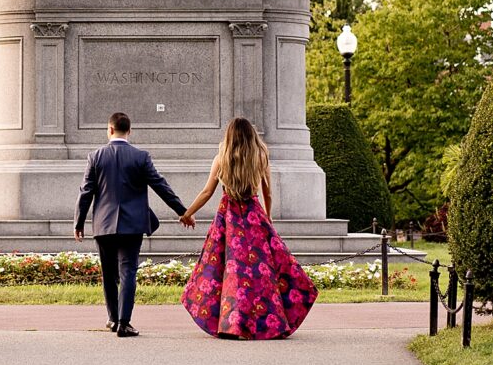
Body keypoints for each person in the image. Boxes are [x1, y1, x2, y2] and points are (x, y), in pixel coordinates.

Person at [178, 117, 318, 339]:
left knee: (226, 270)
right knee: (262, 272)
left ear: (229, 136)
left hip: (228, 217)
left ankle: (231, 323)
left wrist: (188, 213)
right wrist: (268, 217)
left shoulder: (221, 159)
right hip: (254, 217)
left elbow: (207, 192)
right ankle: (266, 321)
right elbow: (268, 192)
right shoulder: (260, 157)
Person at [75, 111, 189, 337]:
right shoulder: (141, 157)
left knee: (108, 274)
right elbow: (161, 186)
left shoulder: (95, 157)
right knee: (128, 272)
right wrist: (183, 212)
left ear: (109, 130)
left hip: (104, 224)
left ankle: (111, 318)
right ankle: (124, 322)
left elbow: (86, 192)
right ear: (129, 131)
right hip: (132, 224)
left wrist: (79, 222)